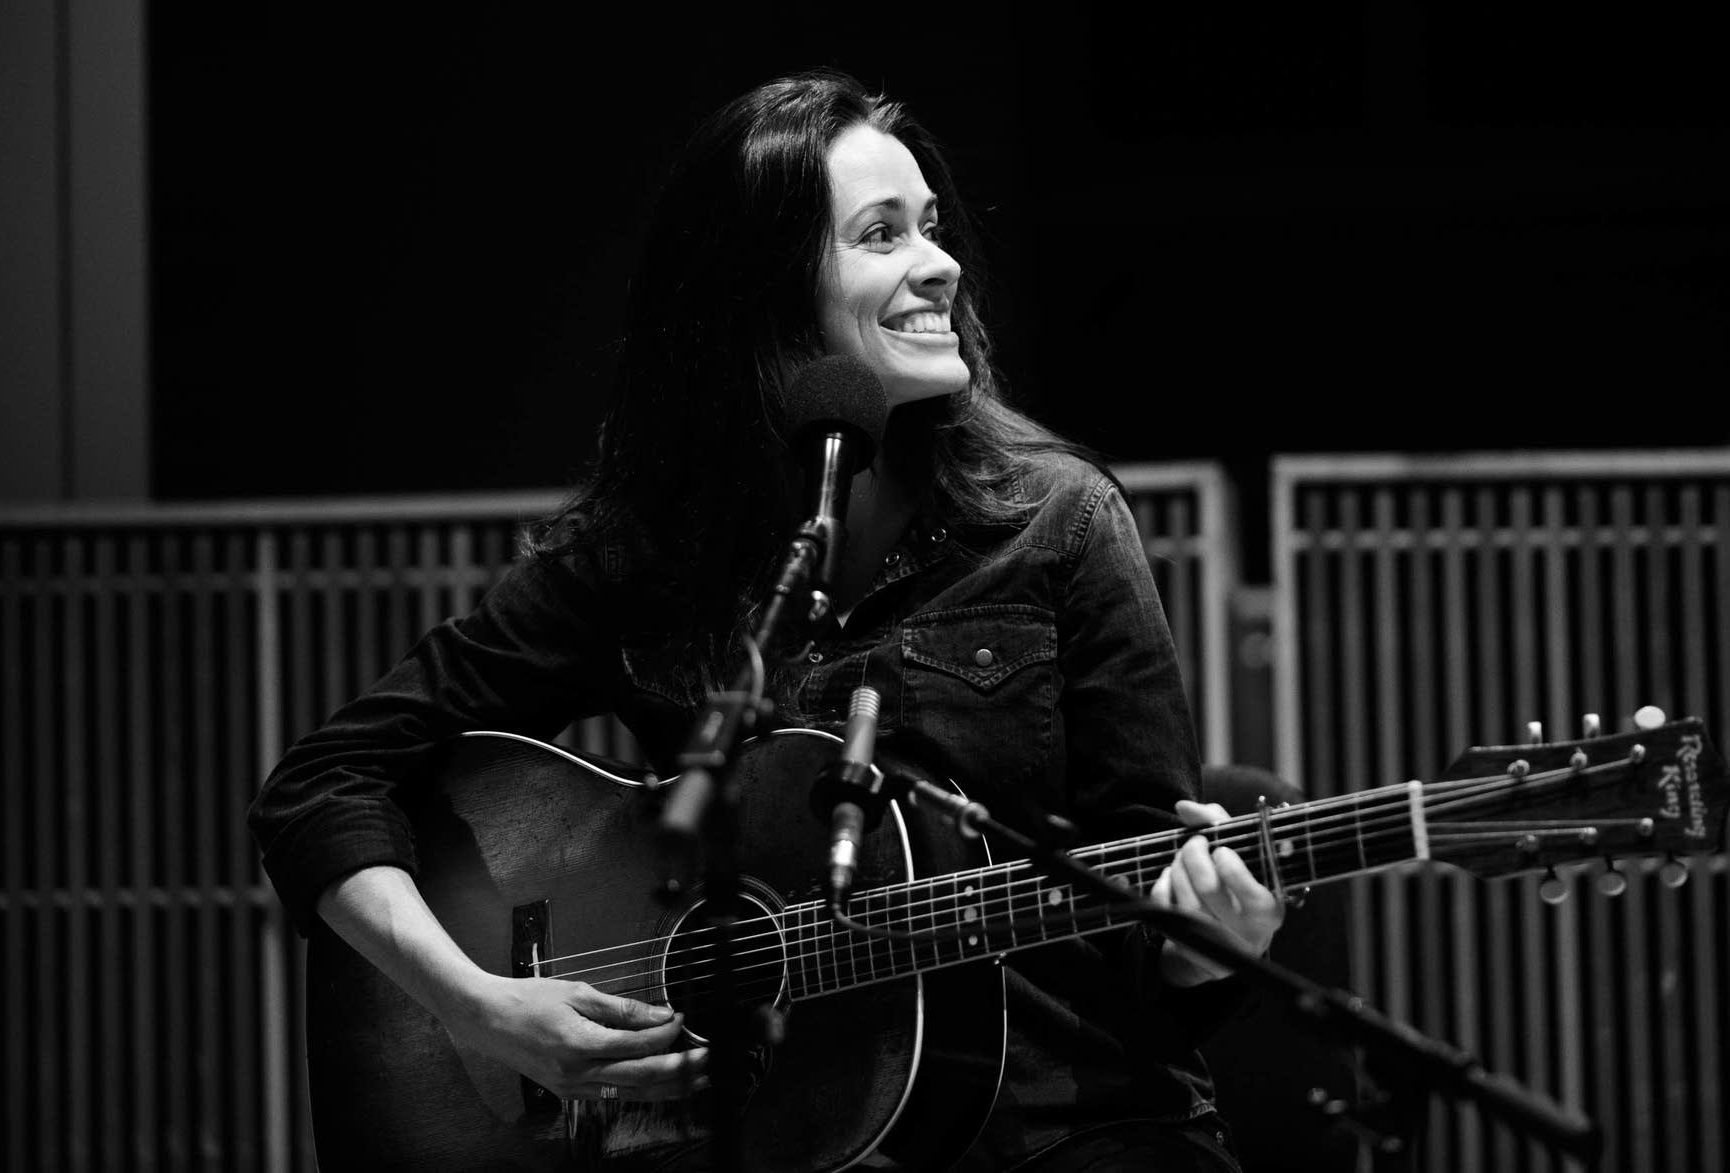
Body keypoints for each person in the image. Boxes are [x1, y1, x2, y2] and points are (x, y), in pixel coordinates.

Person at [249, 68, 1283, 1171]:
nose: (939, 263)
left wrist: (1207, 946)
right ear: (765, 293)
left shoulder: (1057, 520)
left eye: (931, 227)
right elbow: (324, 781)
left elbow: (1146, 900)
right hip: (775, 1132)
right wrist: (476, 1003)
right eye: (881, 235)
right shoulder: (647, 551)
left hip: (1066, 1119)